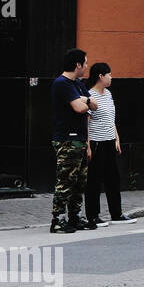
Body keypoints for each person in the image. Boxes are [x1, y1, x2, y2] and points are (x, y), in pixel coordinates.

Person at [50, 48, 97, 233]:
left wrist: (84, 99)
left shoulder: (78, 84)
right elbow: (79, 108)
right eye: (85, 63)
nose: (86, 66)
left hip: (80, 139)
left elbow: (95, 104)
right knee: (66, 180)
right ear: (77, 65)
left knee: (79, 181)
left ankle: (74, 217)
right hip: (66, 140)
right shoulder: (62, 84)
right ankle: (57, 219)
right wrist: (85, 101)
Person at [85, 63, 133, 226]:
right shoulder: (90, 95)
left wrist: (117, 138)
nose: (111, 77)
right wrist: (88, 145)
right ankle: (92, 216)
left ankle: (116, 214)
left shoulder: (109, 94)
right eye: (109, 74)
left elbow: (111, 119)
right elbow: (87, 122)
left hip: (109, 142)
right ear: (101, 76)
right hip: (97, 143)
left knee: (113, 178)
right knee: (94, 180)